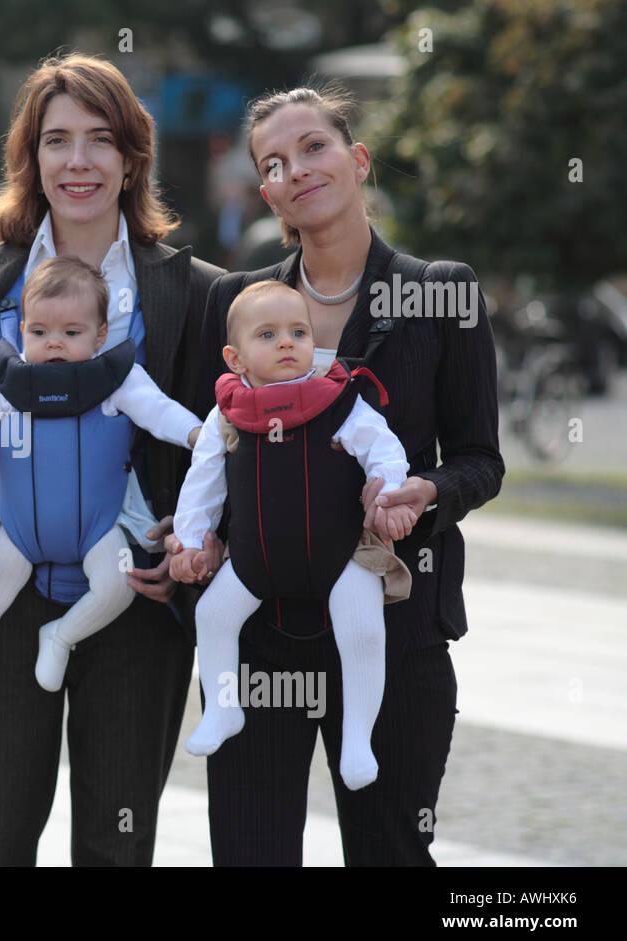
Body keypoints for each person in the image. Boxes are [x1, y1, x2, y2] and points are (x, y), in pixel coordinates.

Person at [0, 53, 224, 866]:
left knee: (117, 841)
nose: (77, 161)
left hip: (138, 601)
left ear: (131, 159)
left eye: (98, 140)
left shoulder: (195, 290)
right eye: (56, 141)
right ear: (31, 158)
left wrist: (191, 547)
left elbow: (218, 448)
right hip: (0, 594)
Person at [187, 87, 504, 865]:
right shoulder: (236, 301)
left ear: (357, 160)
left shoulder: (440, 292)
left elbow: (480, 460)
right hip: (262, 631)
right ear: (265, 192)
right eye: (274, 163)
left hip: (394, 626)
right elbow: (211, 449)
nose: (297, 169)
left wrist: (425, 492)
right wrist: (188, 538)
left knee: (390, 852)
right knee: (250, 854)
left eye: (314, 147)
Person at [0, 256, 201, 710]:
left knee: (119, 583)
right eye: (39, 332)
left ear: (101, 335)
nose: (54, 344)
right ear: (22, 328)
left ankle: (62, 634)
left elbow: (160, 412)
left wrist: (197, 433)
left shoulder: (120, 378)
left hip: (101, 526)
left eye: (71, 333)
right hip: (18, 528)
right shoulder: (5, 380)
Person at [169, 280, 414, 790]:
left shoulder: (339, 401)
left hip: (341, 554)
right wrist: (191, 541)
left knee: (364, 630)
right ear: (235, 358)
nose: (286, 342)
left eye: (298, 332)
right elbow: (202, 482)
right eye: (268, 334)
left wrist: (388, 492)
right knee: (212, 615)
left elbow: (384, 450)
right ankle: (222, 708)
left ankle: (357, 740)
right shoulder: (226, 414)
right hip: (255, 560)